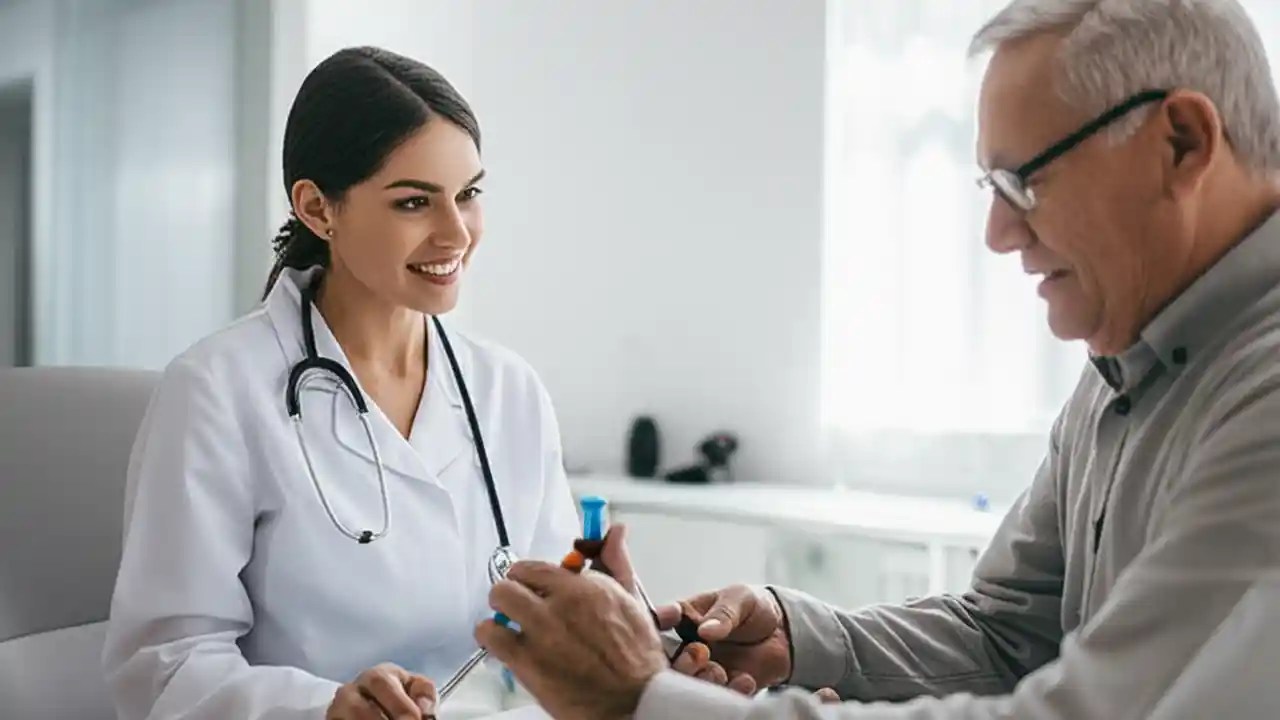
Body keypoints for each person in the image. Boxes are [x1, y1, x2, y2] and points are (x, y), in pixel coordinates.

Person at [473, 1, 1280, 717]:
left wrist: (644, 699)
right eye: (988, 188)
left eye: (1024, 182)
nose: (998, 234)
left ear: (1181, 143)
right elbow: (1005, 636)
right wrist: (804, 639)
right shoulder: (1125, 364)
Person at [101, 46, 578, 720]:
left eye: (468, 195)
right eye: (414, 202)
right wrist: (328, 708)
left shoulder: (508, 390)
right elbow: (165, 666)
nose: (456, 235)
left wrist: (654, 656)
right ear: (318, 209)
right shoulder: (217, 391)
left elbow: (562, 631)